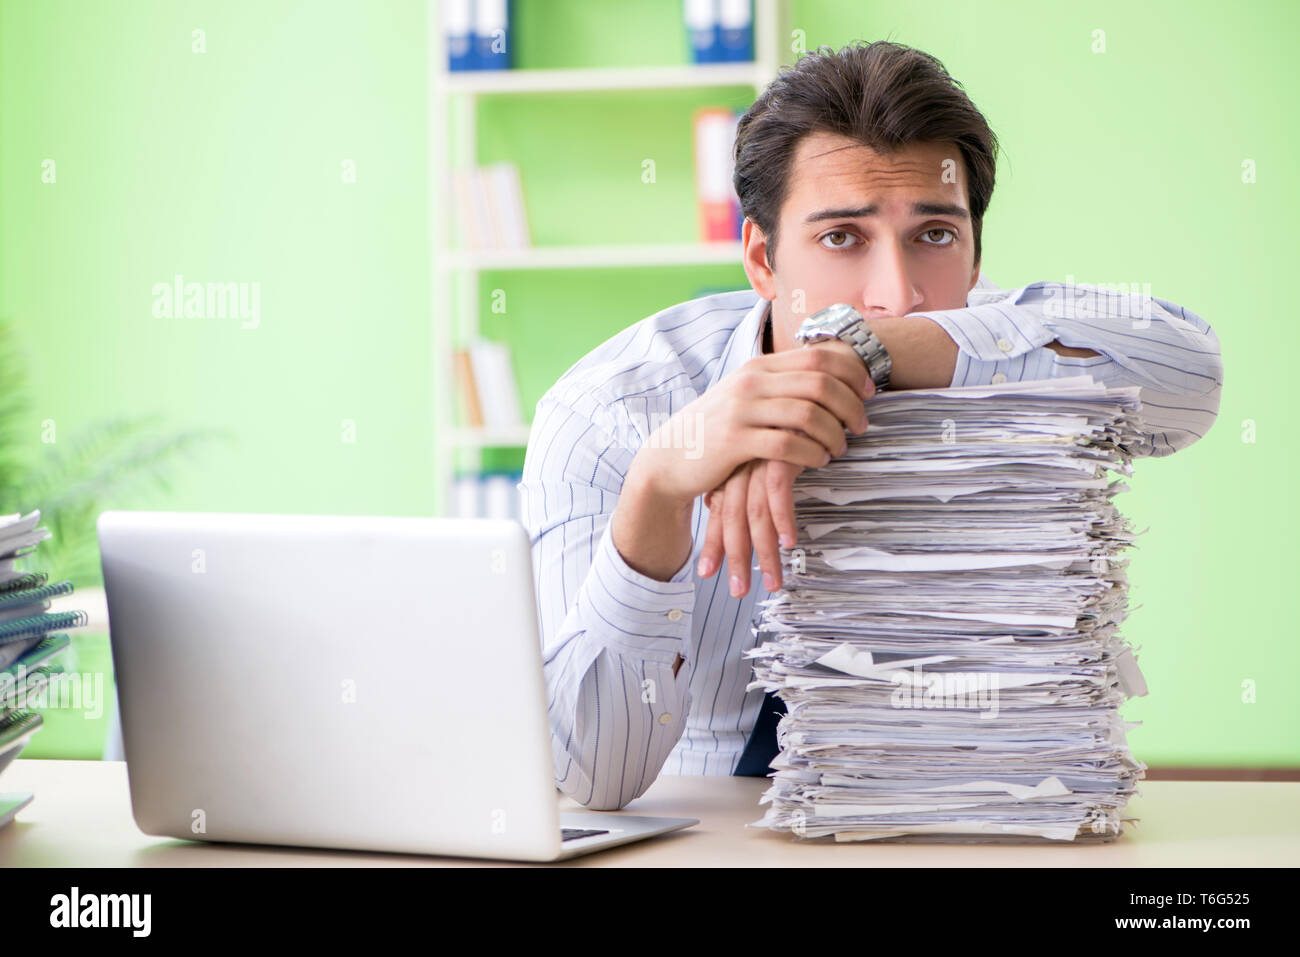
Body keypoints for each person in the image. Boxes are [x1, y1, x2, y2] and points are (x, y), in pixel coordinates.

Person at [517, 41, 1223, 811]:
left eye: (935, 235)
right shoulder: (608, 412)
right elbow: (593, 774)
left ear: (976, 252)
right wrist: (656, 488)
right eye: (841, 238)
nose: (896, 291)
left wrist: (859, 348)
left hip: (955, 815)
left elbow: (1191, 382)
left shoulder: (991, 345)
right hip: (708, 828)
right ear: (761, 259)